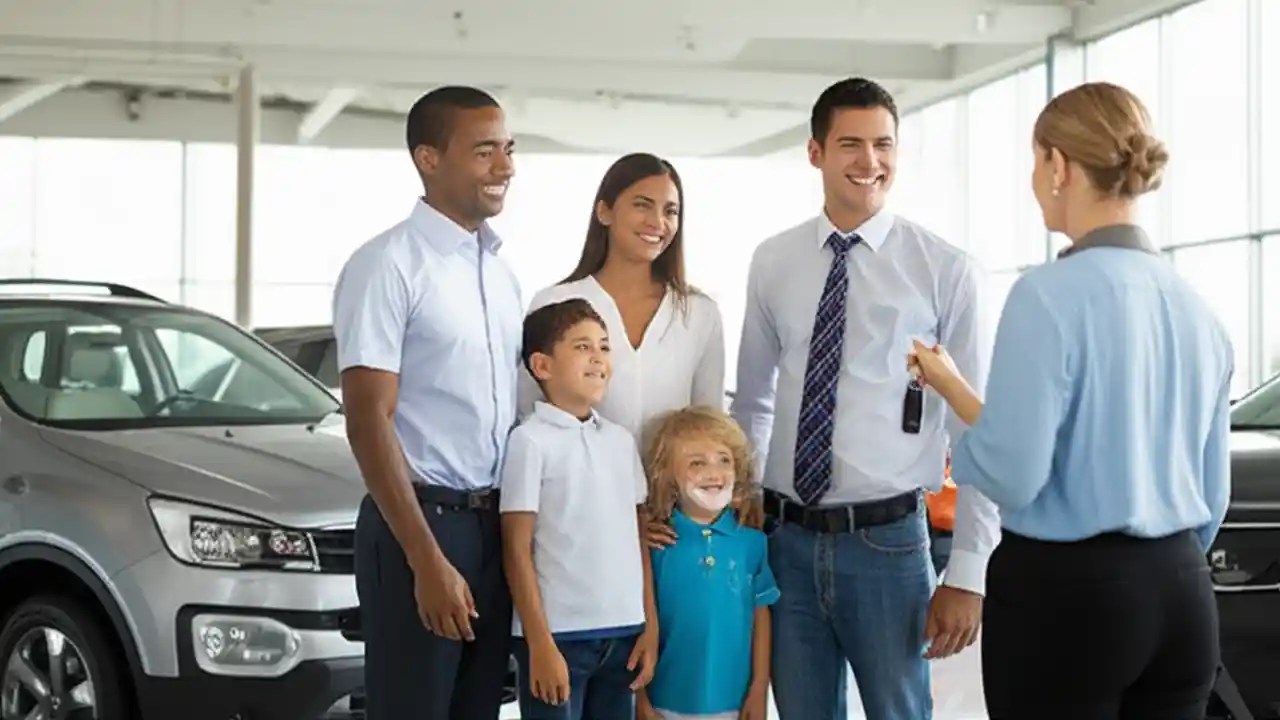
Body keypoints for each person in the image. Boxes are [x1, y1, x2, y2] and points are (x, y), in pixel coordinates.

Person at [907, 81, 1232, 719]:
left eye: (1036, 163)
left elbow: (1014, 474)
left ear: (1058, 166)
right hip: (1183, 595)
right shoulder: (1198, 308)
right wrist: (955, 387)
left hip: (1069, 598)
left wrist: (954, 426)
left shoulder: (1047, 296)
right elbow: (1210, 495)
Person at [729, 76, 1001, 720]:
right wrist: (746, 506)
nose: (869, 161)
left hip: (890, 545)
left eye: (884, 144)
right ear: (816, 152)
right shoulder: (774, 261)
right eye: (850, 143)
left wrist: (968, 571)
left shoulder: (945, 269)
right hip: (785, 543)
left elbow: (977, 434)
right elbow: (754, 403)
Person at [332, 85, 520, 720]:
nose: (505, 166)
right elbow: (367, 418)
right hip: (422, 527)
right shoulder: (387, 265)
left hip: (492, 527)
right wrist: (425, 559)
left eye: (509, 149)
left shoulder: (499, 271)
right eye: (485, 151)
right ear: (428, 159)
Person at [501, 298, 658, 720]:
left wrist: (649, 626)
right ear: (543, 365)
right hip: (559, 639)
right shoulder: (529, 442)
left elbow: (636, 540)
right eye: (582, 346)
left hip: (624, 635)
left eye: (604, 347)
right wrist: (539, 644)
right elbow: (517, 550)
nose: (598, 358)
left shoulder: (621, 442)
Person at [517, 152, 725, 451]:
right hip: (576, 492)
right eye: (642, 205)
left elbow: (709, 424)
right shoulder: (555, 302)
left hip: (673, 494)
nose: (657, 222)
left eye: (670, 211)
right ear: (605, 212)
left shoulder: (700, 313)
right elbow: (528, 411)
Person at [637, 406, 778, 720]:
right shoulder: (656, 545)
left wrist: (759, 688)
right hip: (664, 702)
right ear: (667, 475)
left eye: (724, 460)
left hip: (734, 704)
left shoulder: (752, 543)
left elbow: (761, 619)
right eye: (697, 463)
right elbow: (637, 624)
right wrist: (640, 699)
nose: (714, 472)